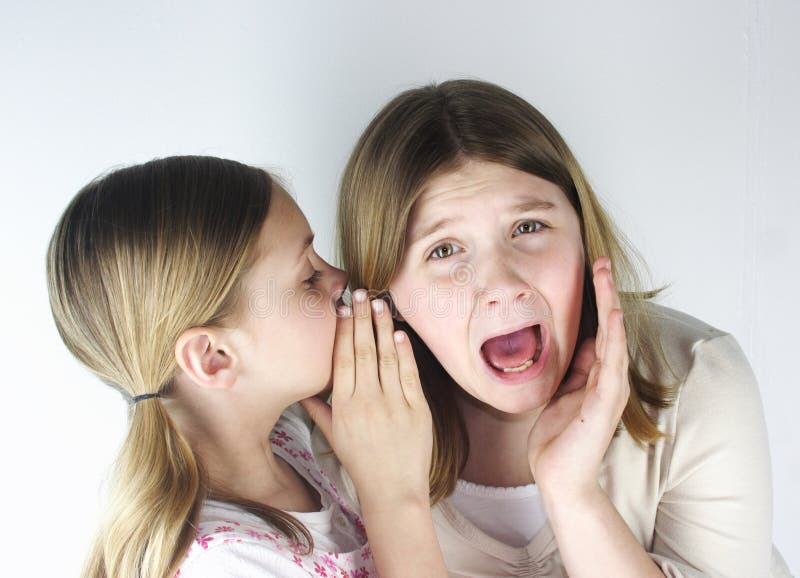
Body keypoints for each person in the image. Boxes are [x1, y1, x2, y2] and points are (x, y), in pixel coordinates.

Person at [334, 79, 792, 577]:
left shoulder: (698, 379)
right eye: (444, 250)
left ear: (582, 231)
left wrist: (572, 493)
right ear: (388, 295)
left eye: (528, 227)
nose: (502, 285)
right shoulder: (338, 437)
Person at [47, 156, 447, 578]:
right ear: (212, 358)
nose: (340, 277)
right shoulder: (223, 565)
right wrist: (394, 493)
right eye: (308, 276)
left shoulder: (287, 442)